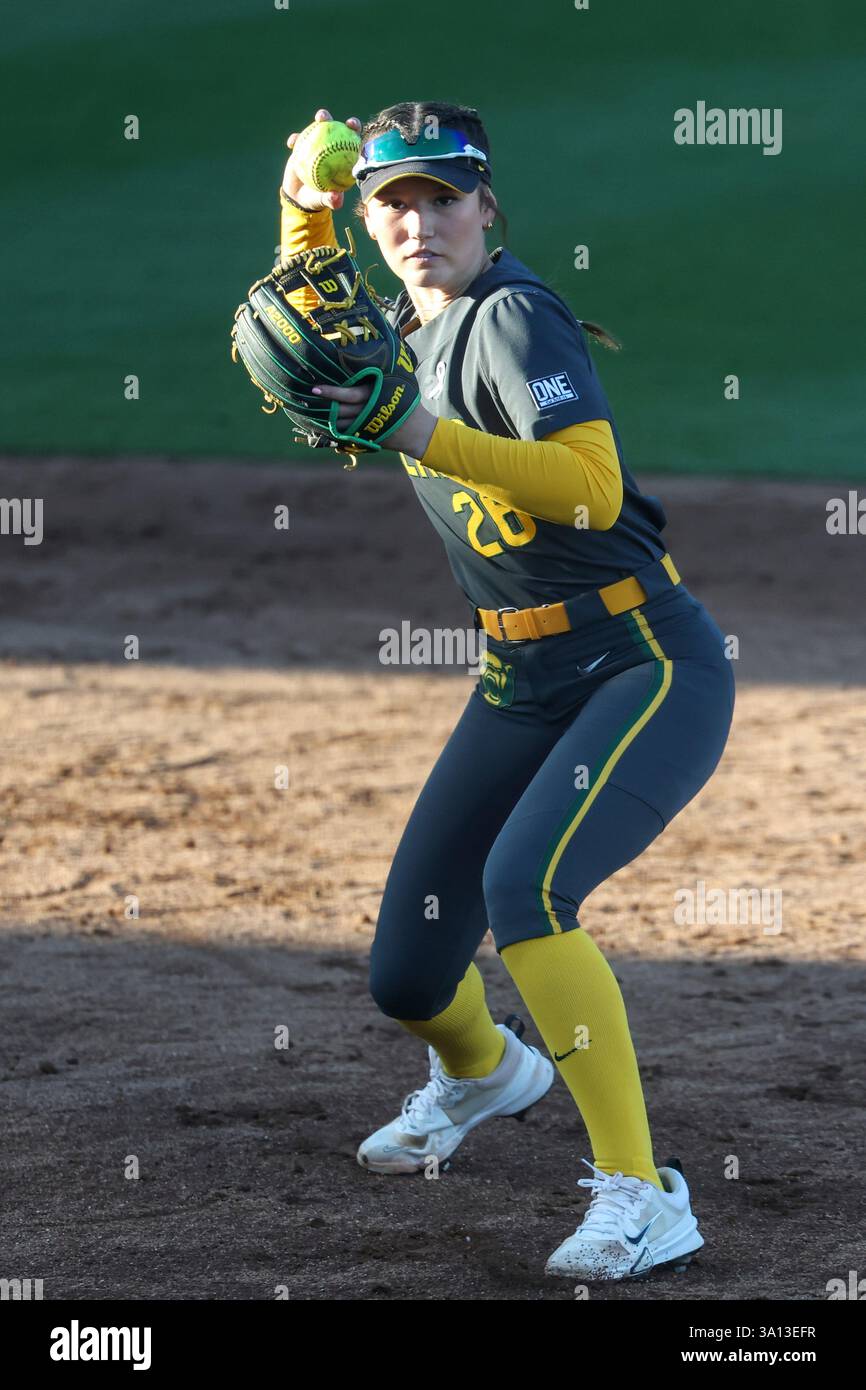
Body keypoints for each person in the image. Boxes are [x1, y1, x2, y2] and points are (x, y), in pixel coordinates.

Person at [278, 101, 735, 1283]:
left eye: (443, 197)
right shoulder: (398, 320)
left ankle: (645, 1193)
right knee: (408, 977)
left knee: (525, 888)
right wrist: (300, 206)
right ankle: (484, 1073)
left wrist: (418, 430)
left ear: (487, 206)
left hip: (642, 663)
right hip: (516, 679)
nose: (419, 221)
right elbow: (309, 320)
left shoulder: (513, 315)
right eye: (395, 202)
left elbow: (586, 489)